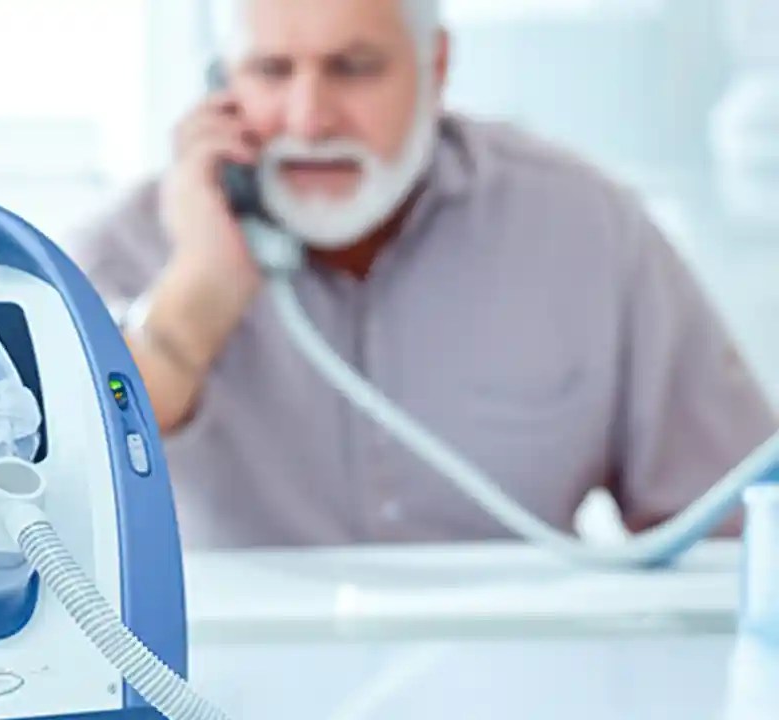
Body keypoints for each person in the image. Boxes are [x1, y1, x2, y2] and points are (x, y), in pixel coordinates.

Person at [68, 0, 779, 549]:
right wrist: (198, 292)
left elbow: (741, 524)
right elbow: (49, 507)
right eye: (272, 71)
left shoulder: (590, 232)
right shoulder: (118, 249)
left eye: (354, 68)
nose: (309, 120)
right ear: (221, 86)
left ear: (435, 69)